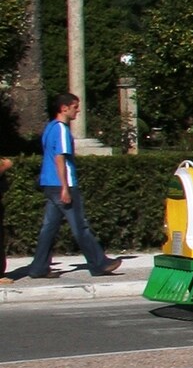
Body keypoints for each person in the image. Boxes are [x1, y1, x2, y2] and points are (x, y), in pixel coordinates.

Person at [11, 94, 122, 280]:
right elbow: (60, 158)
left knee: (49, 228)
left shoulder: (50, 128)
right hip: (63, 184)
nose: (78, 110)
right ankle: (99, 264)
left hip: (49, 184)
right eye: (75, 106)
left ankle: (38, 267)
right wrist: (65, 187)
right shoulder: (62, 130)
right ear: (64, 108)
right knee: (80, 226)